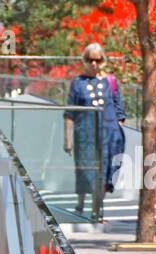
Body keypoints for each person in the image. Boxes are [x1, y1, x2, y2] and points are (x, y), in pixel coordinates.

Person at [64, 43, 126, 217]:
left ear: (102, 61)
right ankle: (81, 203)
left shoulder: (111, 81)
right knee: (85, 168)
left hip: (108, 134)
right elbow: (70, 113)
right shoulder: (77, 83)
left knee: (105, 170)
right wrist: (67, 139)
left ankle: (97, 208)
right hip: (85, 133)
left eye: (97, 60)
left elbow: (119, 109)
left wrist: (117, 132)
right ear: (85, 60)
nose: (93, 64)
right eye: (90, 60)